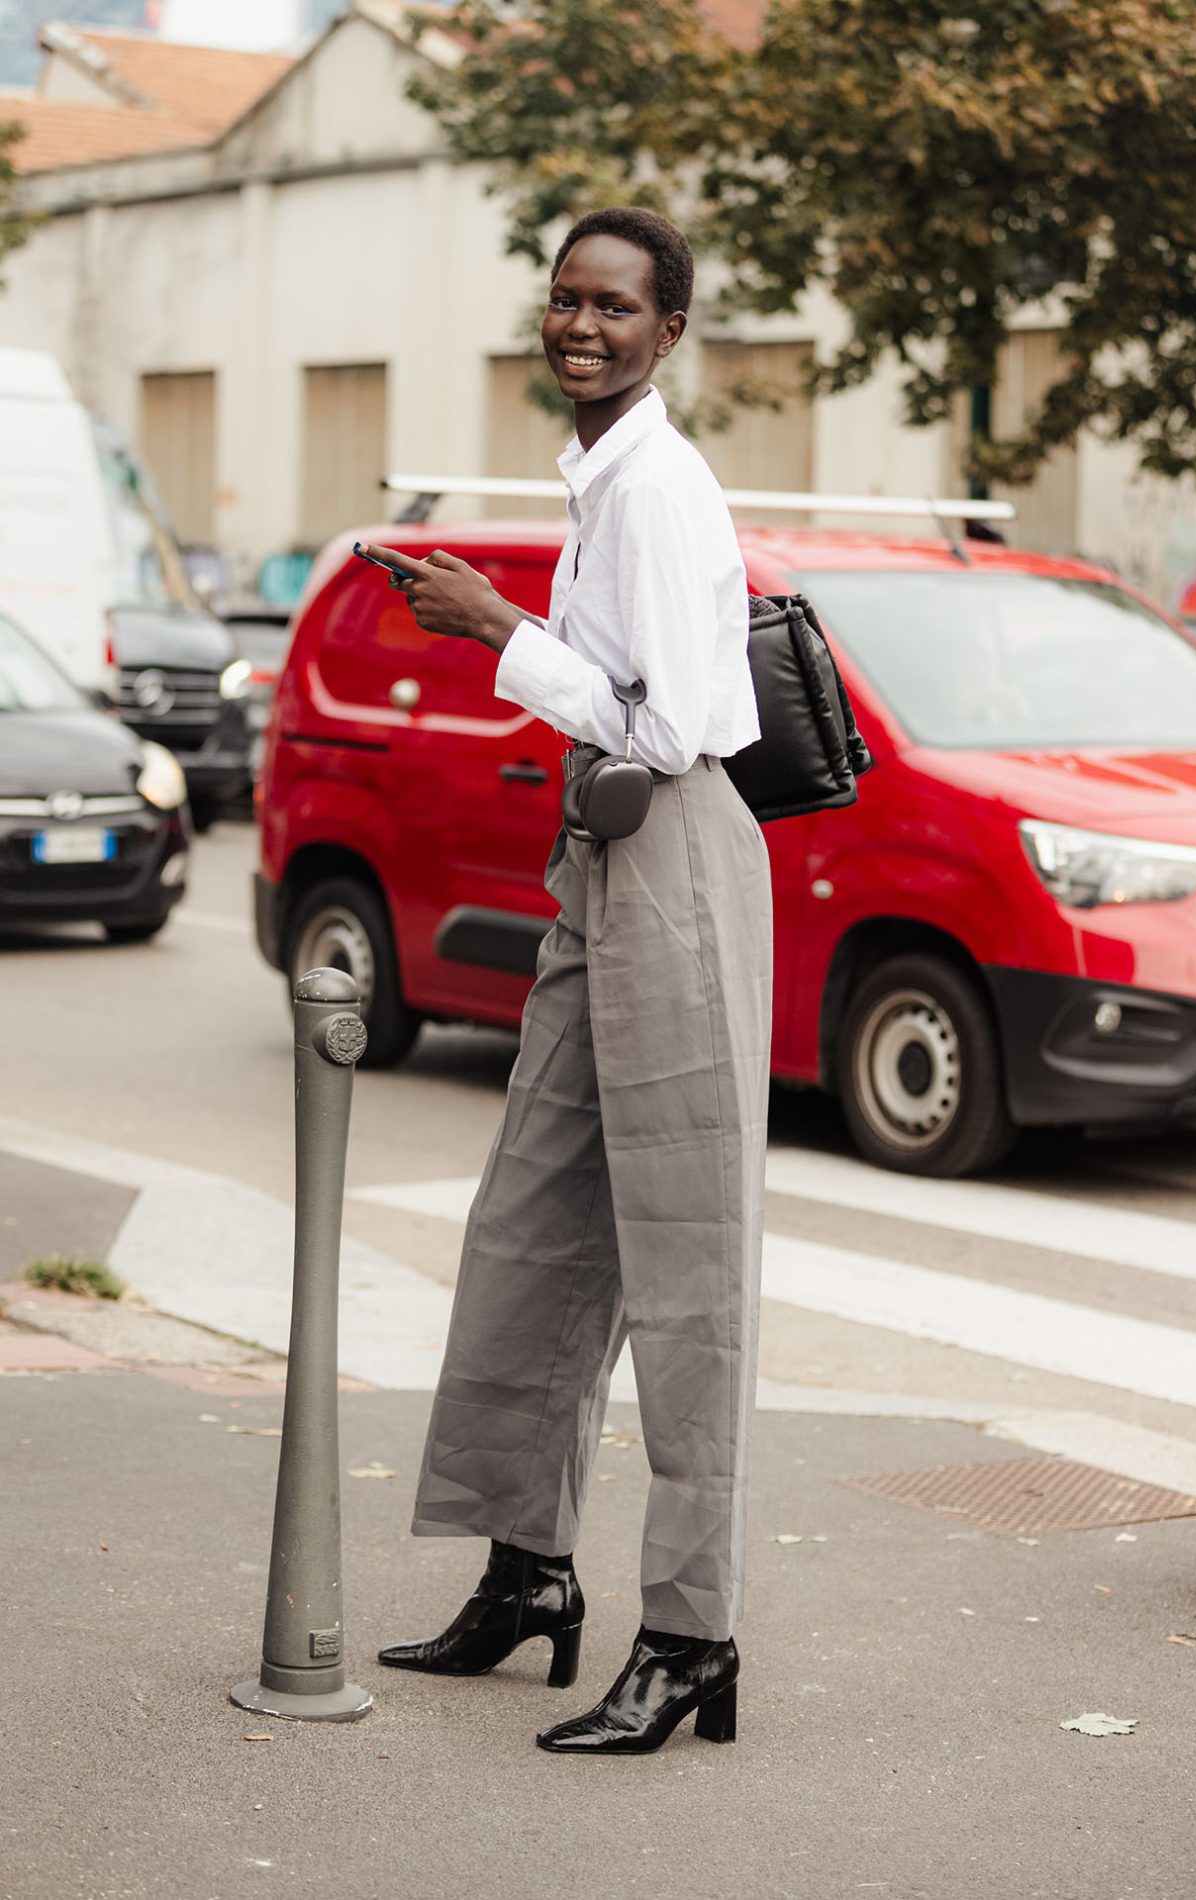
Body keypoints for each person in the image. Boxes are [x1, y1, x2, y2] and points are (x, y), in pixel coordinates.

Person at [365, 206, 772, 1757]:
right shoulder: (600, 478)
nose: (580, 325)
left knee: (688, 1273)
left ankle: (693, 1635)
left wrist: (497, 633)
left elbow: (667, 727)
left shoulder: (660, 488)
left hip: (672, 857)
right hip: (600, 865)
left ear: (669, 332)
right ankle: (528, 1570)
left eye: (615, 306)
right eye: (565, 301)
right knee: (531, 1227)